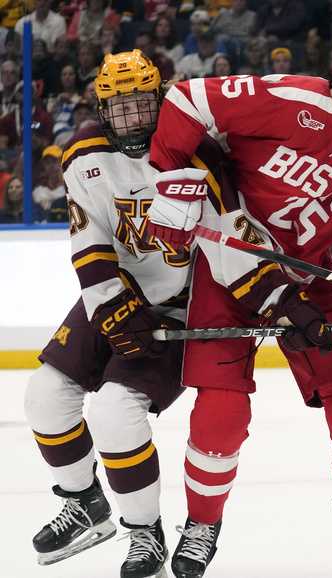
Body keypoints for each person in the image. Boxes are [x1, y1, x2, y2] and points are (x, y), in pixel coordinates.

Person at [143, 24, 332, 578]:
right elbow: (186, 98)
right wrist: (169, 182)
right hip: (232, 267)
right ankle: (201, 524)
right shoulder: (288, 98)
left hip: (308, 282)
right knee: (222, 412)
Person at [23, 50, 222, 578]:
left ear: (159, 100)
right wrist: (111, 307)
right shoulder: (84, 155)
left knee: (114, 411)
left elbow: (231, 239)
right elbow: (89, 244)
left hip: (181, 309)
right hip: (113, 292)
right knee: (44, 396)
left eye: (142, 105)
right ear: (102, 109)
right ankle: (85, 503)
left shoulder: (199, 154)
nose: (132, 119)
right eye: (120, 108)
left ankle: (146, 535)